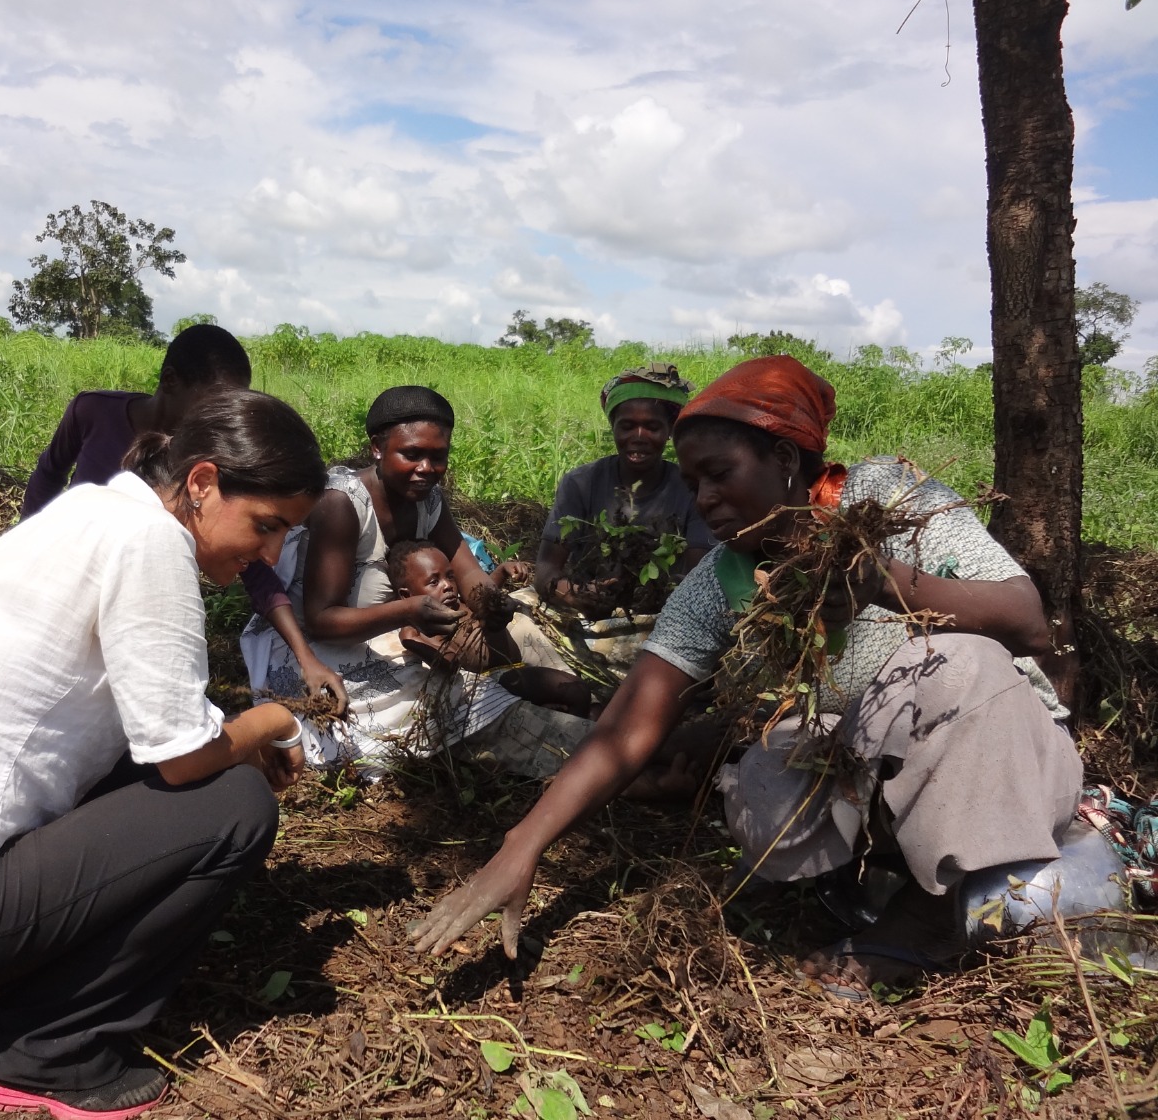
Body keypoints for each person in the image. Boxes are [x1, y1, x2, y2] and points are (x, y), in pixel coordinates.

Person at [413, 355, 1082, 1002]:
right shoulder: (720, 581)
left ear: (784, 458)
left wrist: (882, 583)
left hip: (1005, 758)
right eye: (693, 482)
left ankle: (932, 919)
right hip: (875, 761)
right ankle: (887, 870)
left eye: (718, 474)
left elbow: (1028, 622)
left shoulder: (887, 498)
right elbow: (629, 724)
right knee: (770, 763)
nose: (704, 498)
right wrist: (522, 846)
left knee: (953, 664)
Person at [0, 389, 328, 1120]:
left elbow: (160, 724)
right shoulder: (150, 542)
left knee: (162, 769)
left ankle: (0, 971)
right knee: (234, 806)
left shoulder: (94, 511)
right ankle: (45, 1054)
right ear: (202, 482)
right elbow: (186, 758)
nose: (270, 553)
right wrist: (272, 722)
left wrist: (234, 741)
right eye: (266, 525)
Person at [242, 386, 585, 777]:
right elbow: (321, 621)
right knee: (441, 691)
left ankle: (545, 717)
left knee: (516, 633)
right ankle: (542, 740)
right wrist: (408, 610)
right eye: (412, 454)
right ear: (377, 448)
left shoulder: (428, 500)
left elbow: (469, 572)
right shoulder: (343, 504)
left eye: (438, 457)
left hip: (386, 631)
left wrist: (491, 602)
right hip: (316, 648)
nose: (426, 468)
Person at [23, 323, 345, 712]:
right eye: (215, 403)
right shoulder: (95, 413)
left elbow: (255, 561)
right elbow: (49, 473)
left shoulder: (206, 472)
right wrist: (30, 541)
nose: (225, 417)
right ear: (170, 381)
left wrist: (305, 656)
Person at [535, 364, 712, 619]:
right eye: (627, 426)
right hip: (585, 611)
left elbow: (699, 578)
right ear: (613, 427)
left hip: (665, 615)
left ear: (670, 430)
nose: (639, 436)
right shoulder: (580, 484)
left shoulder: (690, 489)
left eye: (652, 427)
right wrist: (576, 595)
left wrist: (657, 597)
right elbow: (545, 569)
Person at [390, 540, 592, 718]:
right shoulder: (429, 627)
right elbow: (450, 664)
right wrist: (413, 641)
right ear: (407, 596)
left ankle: (575, 727)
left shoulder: (462, 604)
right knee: (577, 691)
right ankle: (579, 739)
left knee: (578, 701)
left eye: (450, 576)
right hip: (496, 680)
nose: (447, 585)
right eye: (434, 582)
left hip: (518, 669)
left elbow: (487, 600)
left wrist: (501, 572)